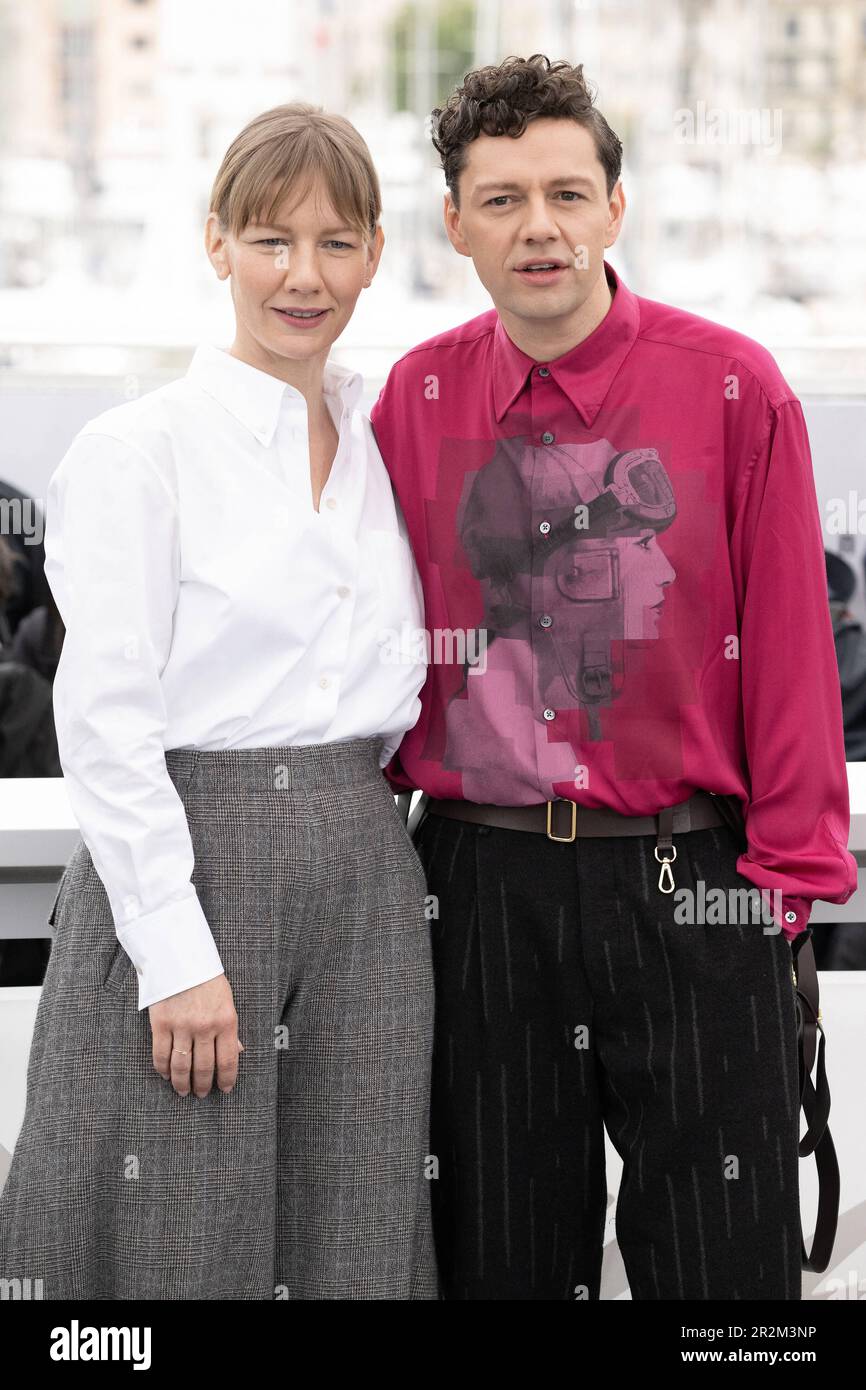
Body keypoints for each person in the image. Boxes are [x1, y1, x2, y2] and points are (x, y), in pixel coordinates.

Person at [370, 54, 857, 1300]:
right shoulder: (411, 403)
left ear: (613, 208)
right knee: (501, 1265)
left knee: (727, 1287)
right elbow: (367, 652)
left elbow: (794, 657)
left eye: (567, 193)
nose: (538, 226)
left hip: (696, 879)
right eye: (501, 199)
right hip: (475, 889)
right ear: (454, 222)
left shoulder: (733, 388)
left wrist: (786, 899)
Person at [0, 103, 437, 1301]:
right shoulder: (141, 450)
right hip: (189, 861)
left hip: (365, 867)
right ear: (214, 244)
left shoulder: (384, 434)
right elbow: (105, 720)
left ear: (375, 256)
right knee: (172, 1235)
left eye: (337, 242)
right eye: (269, 239)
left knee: (354, 1217)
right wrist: (173, 950)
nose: (304, 274)